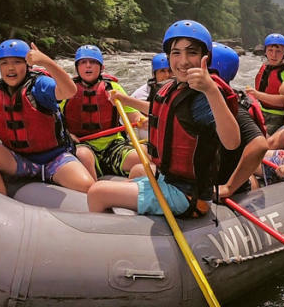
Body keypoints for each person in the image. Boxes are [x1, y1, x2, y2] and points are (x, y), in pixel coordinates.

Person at [86, 20, 240, 216]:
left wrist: (210, 90)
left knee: (97, 192)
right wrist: (125, 99)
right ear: (168, 57)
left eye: (192, 52)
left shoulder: (204, 97)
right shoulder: (175, 87)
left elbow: (232, 142)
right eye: (176, 53)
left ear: (205, 58)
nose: (183, 61)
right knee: (136, 171)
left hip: (188, 195)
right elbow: (162, 112)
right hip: (168, 180)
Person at [0, 39, 93, 196]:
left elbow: (69, 91)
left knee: (87, 186)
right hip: (19, 159)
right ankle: (0, 208)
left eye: (17, 62)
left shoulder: (39, 85)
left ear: (28, 65)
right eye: (4, 63)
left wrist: (47, 62)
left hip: (54, 159)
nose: (10, 68)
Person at [62, 45, 141, 179]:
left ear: (102, 67)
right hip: (82, 144)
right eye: (83, 62)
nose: (88, 66)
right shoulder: (67, 89)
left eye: (93, 62)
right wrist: (68, 134)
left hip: (113, 145)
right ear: (77, 68)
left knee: (140, 156)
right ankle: (93, 191)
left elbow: (133, 115)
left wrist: (141, 120)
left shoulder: (113, 88)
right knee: (83, 155)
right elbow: (53, 119)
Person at [207, 42, 269, 199]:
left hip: (218, 184)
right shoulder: (198, 99)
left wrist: (228, 188)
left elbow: (260, 145)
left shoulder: (232, 108)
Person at [247, 32, 284, 134]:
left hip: (279, 116)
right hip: (261, 111)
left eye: (278, 51)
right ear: (265, 51)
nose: (274, 55)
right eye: (270, 50)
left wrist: (257, 95)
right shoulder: (265, 66)